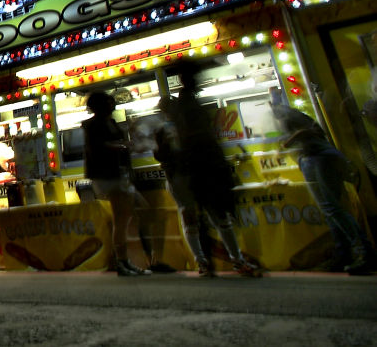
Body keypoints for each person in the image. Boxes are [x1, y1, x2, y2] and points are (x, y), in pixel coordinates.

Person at [161, 61, 262, 277]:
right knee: (215, 216)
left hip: (186, 171)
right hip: (195, 169)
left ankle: (207, 262)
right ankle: (229, 260)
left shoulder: (178, 108)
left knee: (197, 218)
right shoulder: (187, 108)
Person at [275, 106, 376, 276]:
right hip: (317, 159)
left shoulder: (289, 119)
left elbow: (304, 133)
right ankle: (343, 253)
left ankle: (364, 251)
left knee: (332, 208)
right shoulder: (300, 119)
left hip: (319, 160)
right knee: (329, 210)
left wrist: (287, 143)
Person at [82, 92, 155, 277]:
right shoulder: (92, 125)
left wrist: (125, 144)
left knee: (134, 212)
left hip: (118, 174)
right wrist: (124, 146)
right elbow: (98, 147)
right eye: (108, 102)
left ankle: (129, 259)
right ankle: (123, 262)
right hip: (108, 176)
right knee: (122, 219)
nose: (112, 104)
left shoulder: (110, 122)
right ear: (99, 106)